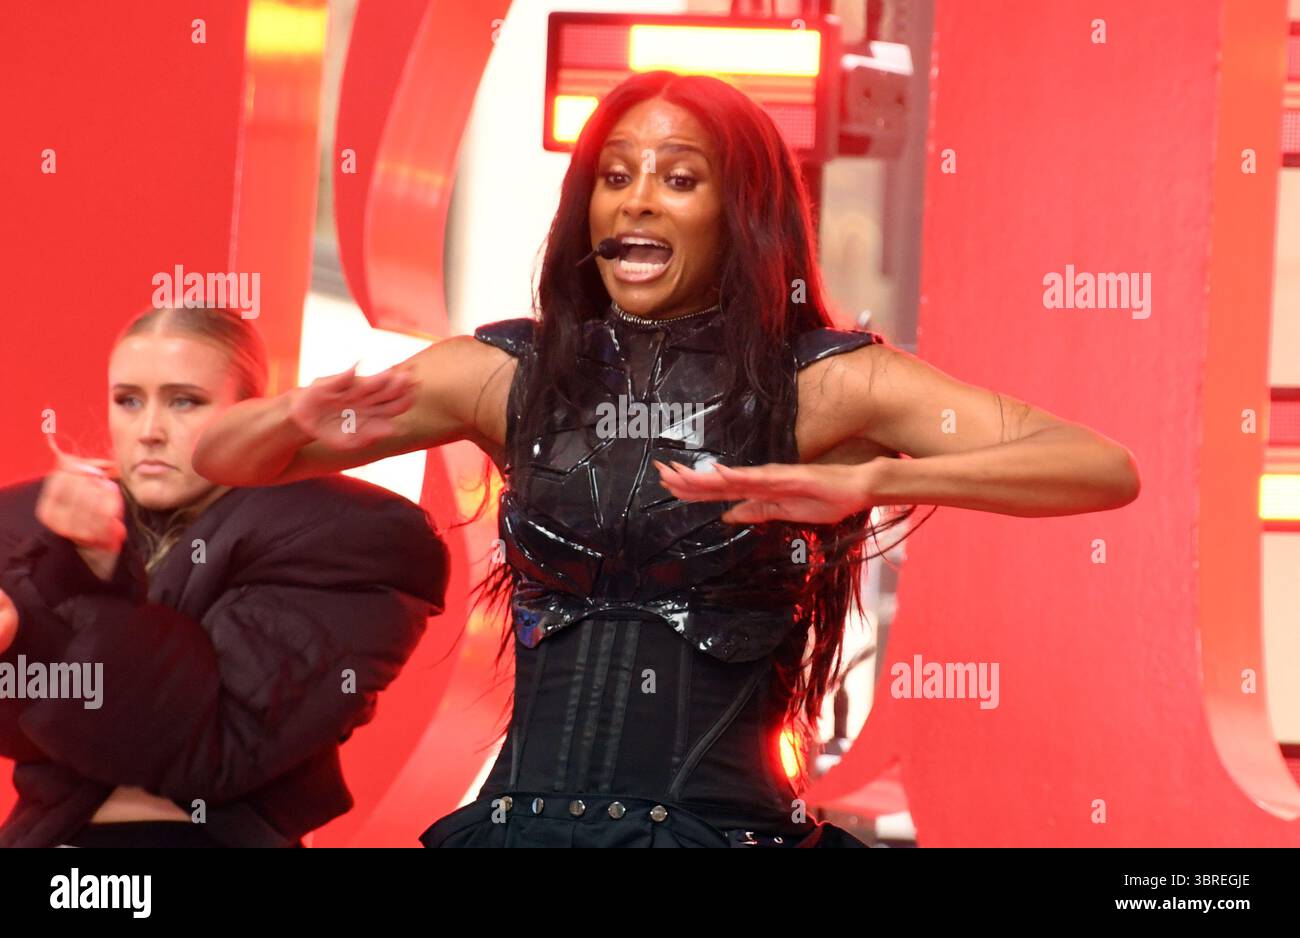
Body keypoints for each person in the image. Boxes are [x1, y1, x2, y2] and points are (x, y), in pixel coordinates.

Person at [192, 71, 1140, 848]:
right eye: (615, 175)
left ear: (743, 211)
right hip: (517, 828)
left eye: (679, 179)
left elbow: (1097, 467)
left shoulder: (824, 386)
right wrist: (289, 413)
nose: (638, 197)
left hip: (720, 830)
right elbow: (227, 460)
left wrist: (872, 479)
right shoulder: (511, 374)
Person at [0, 305, 449, 847]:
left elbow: (213, 752)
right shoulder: (30, 523)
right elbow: (18, 724)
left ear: (246, 413)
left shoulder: (355, 537)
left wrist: (86, 586)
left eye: (185, 401)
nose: (148, 432)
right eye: (128, 401)